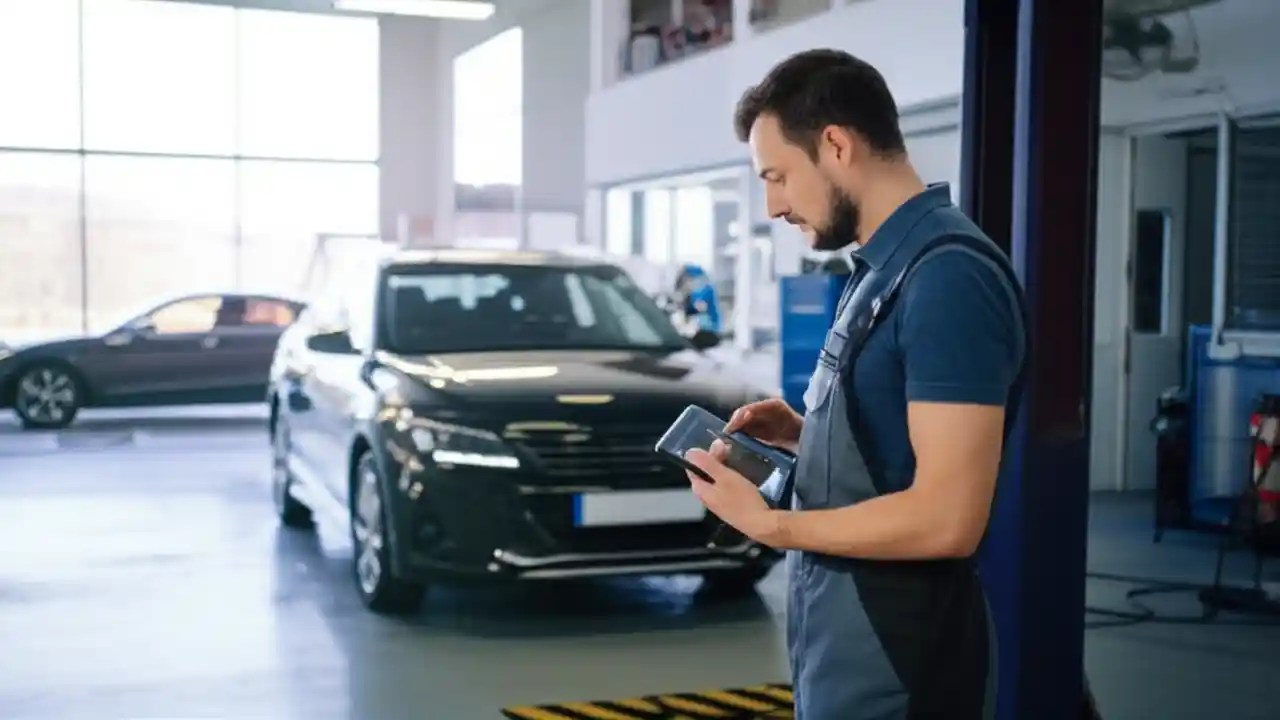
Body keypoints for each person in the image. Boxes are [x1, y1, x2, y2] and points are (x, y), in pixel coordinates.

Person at [681, 49, 1028, 719]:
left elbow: (947, 518)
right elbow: (902, 455)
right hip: (848, 652)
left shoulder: (947, 279)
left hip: (904, 667)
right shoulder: (879, 272)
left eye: (778, 176)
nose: (772, 205)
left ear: (836, 144)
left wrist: (774, 526)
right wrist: (808, 436)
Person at [674, 263, 723, 335]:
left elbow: (701, 308)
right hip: (708, 328)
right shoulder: (701, 289)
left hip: (708, 330)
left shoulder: (702, 291)